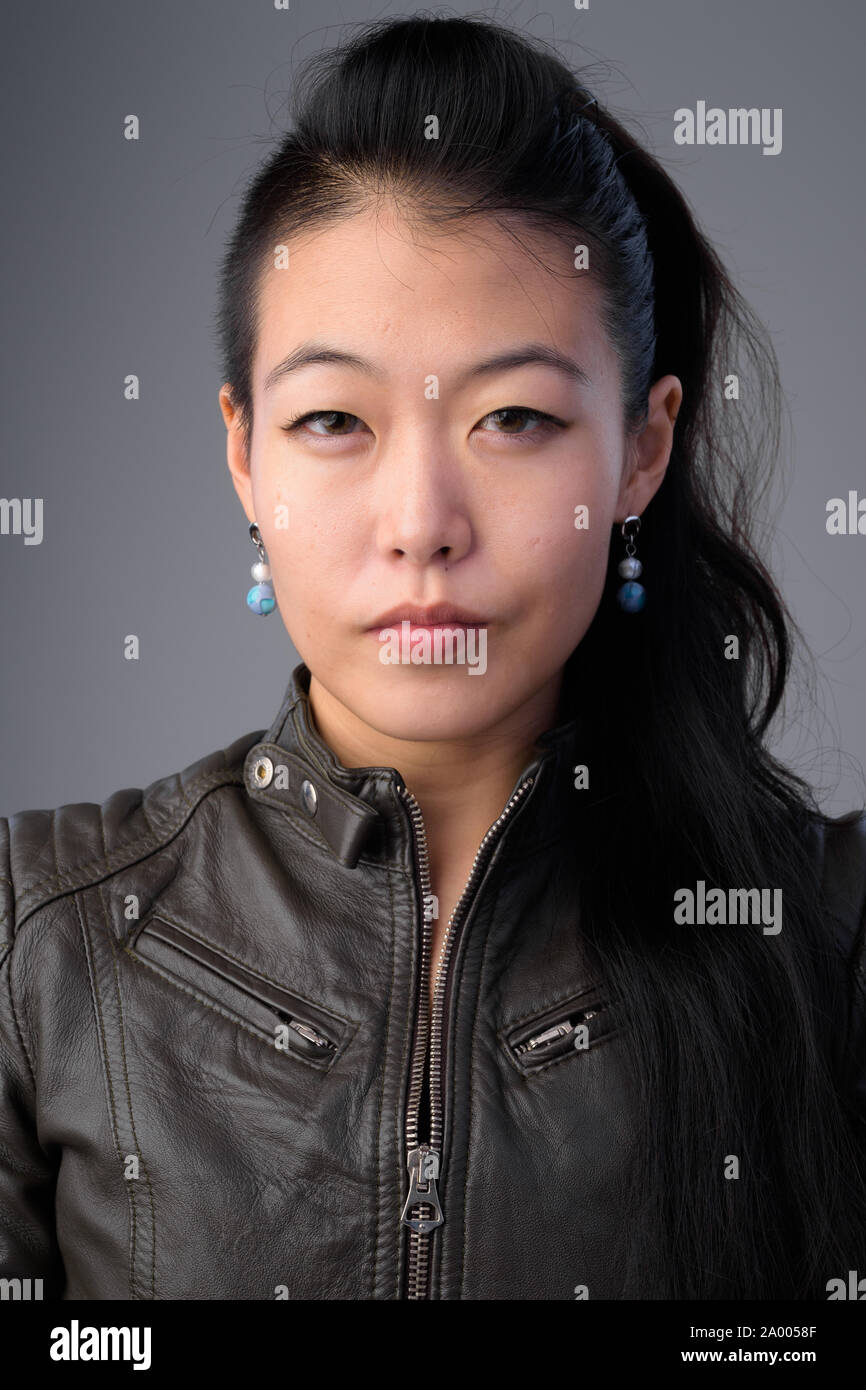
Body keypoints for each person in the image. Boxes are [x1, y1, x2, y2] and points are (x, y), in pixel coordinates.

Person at [1, 14, 864, 1302]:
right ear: (245, 451)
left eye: (513, 417)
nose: (421, 525)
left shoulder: (833, 941)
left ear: (642, 446)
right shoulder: (41, 935)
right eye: (333, 419)